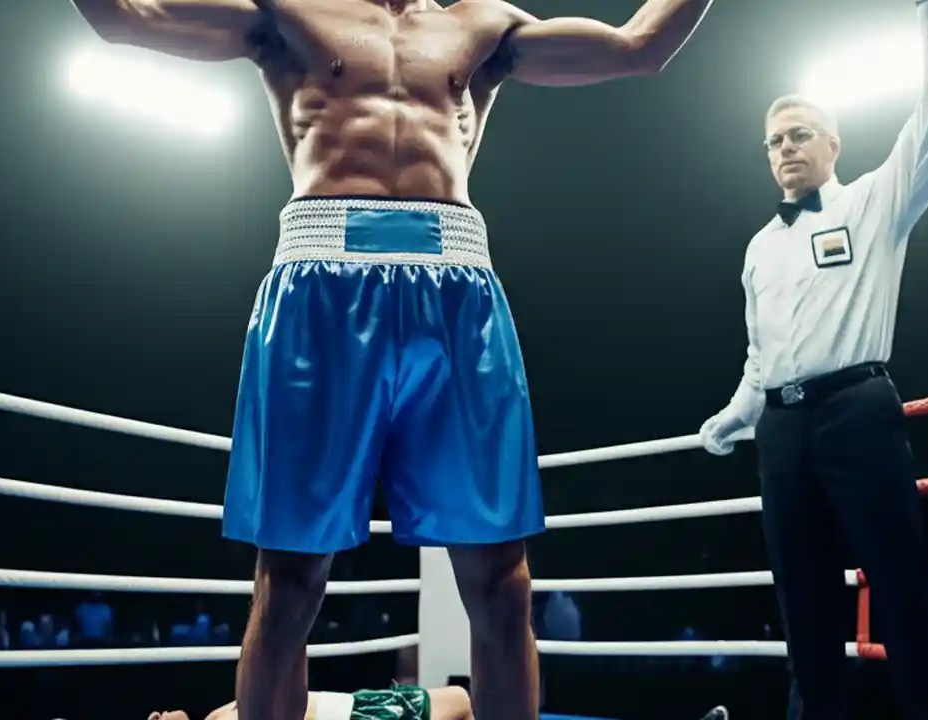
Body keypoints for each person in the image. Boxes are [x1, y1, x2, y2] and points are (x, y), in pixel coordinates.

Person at [66, 1, 717, 719]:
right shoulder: (288, 11)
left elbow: (639, 46)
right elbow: (125, 17)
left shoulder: (483, 24)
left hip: (457, 291)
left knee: (503, 585)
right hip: (321, 284)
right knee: (288, 583)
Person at [696, 1, 928, 717]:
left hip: (858, 412)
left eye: (799, 134)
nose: (785, 148)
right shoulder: (760, 248)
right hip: (782, 432)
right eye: (774, 140)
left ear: (832, 144)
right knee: (804, 602)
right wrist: (735, 416)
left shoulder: (876, 202)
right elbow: (761, 356)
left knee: (902, 587)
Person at [148, 684, 472, 720]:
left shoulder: (214, 717)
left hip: (353, 704)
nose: (156, 715)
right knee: (460, 701)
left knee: (462, 701)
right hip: (353, 716)